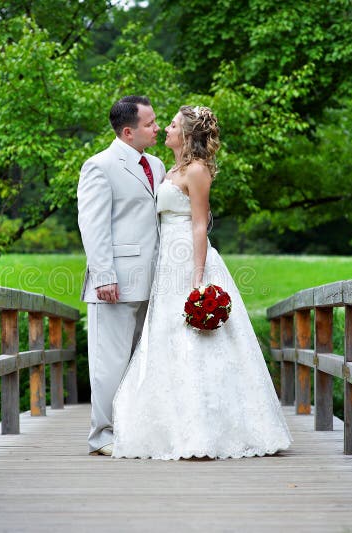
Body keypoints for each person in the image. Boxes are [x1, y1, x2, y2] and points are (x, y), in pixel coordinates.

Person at [112, 105, 292, 459]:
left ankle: (209, 428)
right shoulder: (170, 169)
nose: (165, 129)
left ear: (187, 135)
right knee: (166, 338)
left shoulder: (196, 171)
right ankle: (173, 424)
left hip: (189, 260)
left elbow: (199, 223)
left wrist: (198, 277)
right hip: (167, 261)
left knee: (197, 341)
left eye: (173, 125)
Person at [77, 95, 165, 456]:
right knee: (109, 363)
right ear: (128, 132)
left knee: (142, 362)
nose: (157, 128)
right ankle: (103, 435)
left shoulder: (157, 165)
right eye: (150, 124)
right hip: (114, 282)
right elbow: (93, 225)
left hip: (157, 281)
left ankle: (133, 428)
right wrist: (103, 275)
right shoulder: (99, 166)